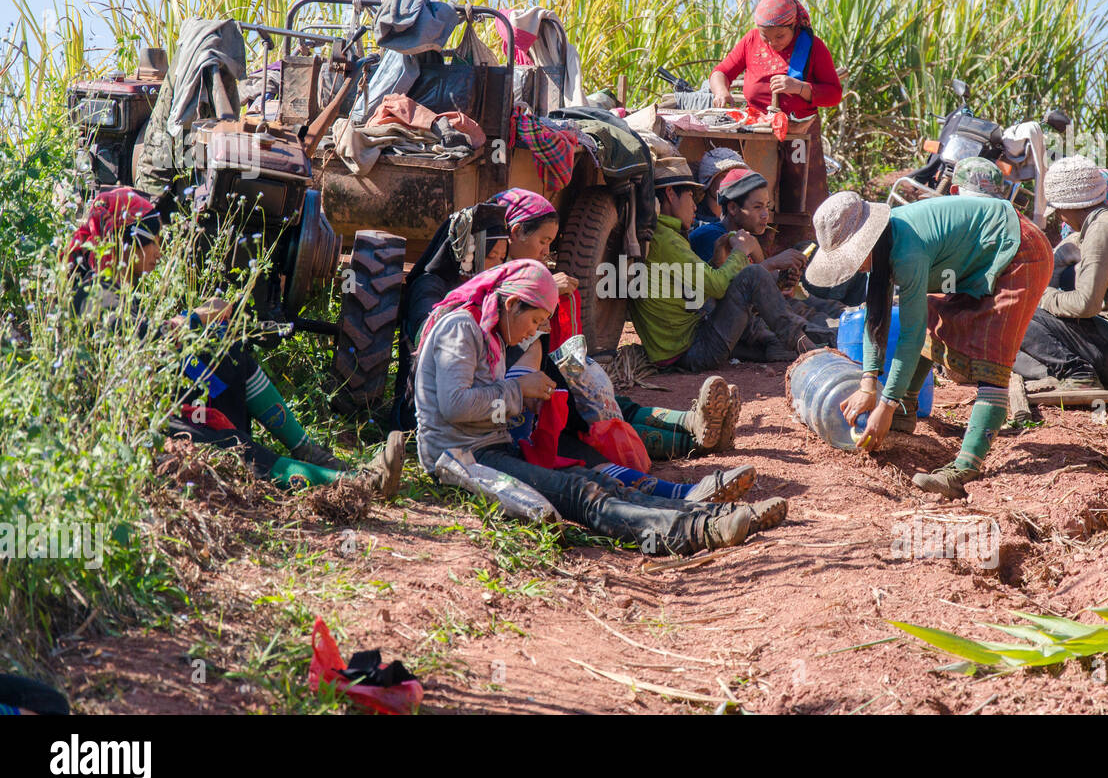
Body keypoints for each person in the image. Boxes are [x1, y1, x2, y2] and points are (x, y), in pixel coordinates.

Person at [412, 259, 786, 554]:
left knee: (597, 481)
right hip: (463, 457)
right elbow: (454, 406)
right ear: (511, 304)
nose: (532, 332)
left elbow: (481, 402)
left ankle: (716, 514)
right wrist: (517, 390)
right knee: (580, 493)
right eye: (534, 321)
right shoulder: (461, 328)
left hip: (490, 447)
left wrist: (522, 401)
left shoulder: (490, 332)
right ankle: (697, 530)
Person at [66, 187, 405, 502]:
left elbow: (145, 342)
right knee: (232, 447)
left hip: (148, 398)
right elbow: (143, 349)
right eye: (153, 240)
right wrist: (193, 319)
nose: (159, 250)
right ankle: (358, 483)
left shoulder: (108, 288)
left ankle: (309, 451)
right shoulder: (96, 296)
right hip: (129, 422)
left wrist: (198, 325)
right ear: (127, 242)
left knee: (224, 352)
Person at [807, 191, 1052, 500]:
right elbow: (875, 316)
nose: (853, 267)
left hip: (1017, 250)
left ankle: (964, 468)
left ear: (866, 240)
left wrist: (886, 403)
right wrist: (868, 384)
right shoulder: (884, 245)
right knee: (935, 319)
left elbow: (909, 335)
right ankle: (905, 414)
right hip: (968, 259)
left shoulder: (907, 253)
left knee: (993, 354)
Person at [490, 187, 740, 458]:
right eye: (543, 241)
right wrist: (546, 288)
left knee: (611, 403)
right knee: (589, 418)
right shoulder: (488, 286)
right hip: (517, 400)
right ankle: (695, 443)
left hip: (539, 381)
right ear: (515, 233)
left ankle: (693, 423)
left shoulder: (516, 274)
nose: (546, 251)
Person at [630, 164, 824, 371]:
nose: (695, 206)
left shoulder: (659, 236)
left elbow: (699, 289)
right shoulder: (666, 240)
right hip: (691, 351)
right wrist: (740, 252)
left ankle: (778, 346)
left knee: (760, 311)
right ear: (670, 194)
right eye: (690, 196)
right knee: (752, 275)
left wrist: (717, 261)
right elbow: (719, 287)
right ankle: (803, 344)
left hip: (682, 349)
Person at [1014, 157, 1108, 389]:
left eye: (1059, 212)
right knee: (1011, 348)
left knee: (1019, 311)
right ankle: (1058, 373)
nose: (1060, 218)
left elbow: (1085, 305)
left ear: (1067, 208)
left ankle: (1079, 373)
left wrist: (1043, 296)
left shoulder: (1102, 230)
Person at [708, 0, 843, 214]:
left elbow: (834, 93)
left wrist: (800, 88)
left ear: (794, 26)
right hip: (758, 133)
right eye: (766, 37)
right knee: (757, 198)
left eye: (780, 36)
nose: (773, 43)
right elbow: (720, 72)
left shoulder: (812, 47)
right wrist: (721, 91)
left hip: (800, 135)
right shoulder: (750, 41)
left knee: (803, 204)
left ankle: (801, 236)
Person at [391, 203, 510, 431]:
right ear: (469, 253)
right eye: (491, 256)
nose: (498, 266)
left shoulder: (490, 293)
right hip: (423, 411)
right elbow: (428, 333)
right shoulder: (429, 286)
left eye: (502, 258)